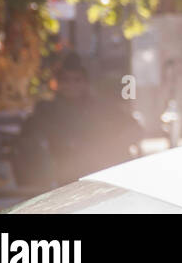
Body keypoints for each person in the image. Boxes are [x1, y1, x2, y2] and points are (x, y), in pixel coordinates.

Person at [12, 53, 143, 189]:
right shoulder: (47, 110)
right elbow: (29, 138)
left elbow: (135, 129)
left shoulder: (102, 107)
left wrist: (113, 147)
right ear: (58, 84)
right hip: (64, 178)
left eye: (77, 80)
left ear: (85, 82)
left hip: (102, 174)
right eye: (66, 80)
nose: (71, 85)